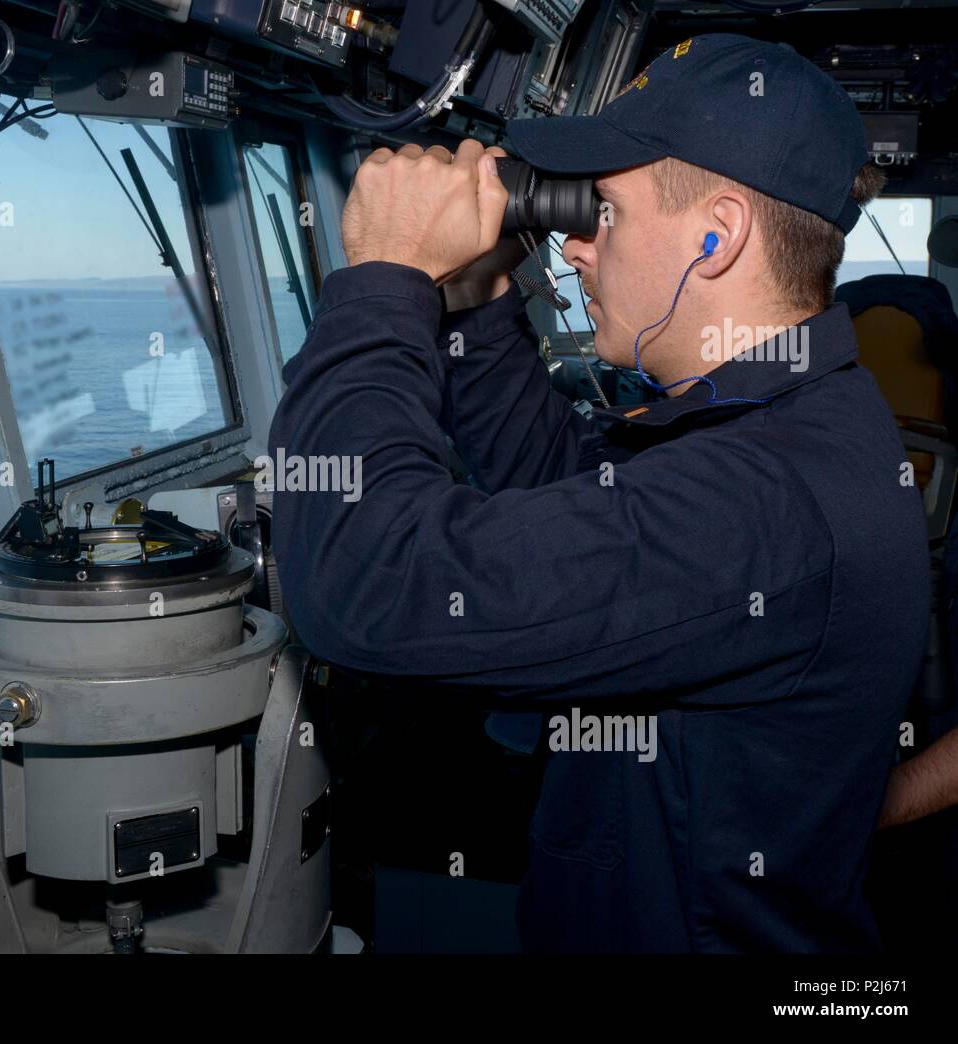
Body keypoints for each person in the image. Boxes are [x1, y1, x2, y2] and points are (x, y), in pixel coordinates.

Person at [266, 33, 931, 952]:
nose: (575, 245)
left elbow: (370, 585)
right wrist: (473, 301)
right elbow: (578, 498)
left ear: (719, 233)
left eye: (604, 210)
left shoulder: (764, 500)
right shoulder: (788, 418)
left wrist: (385, 283)